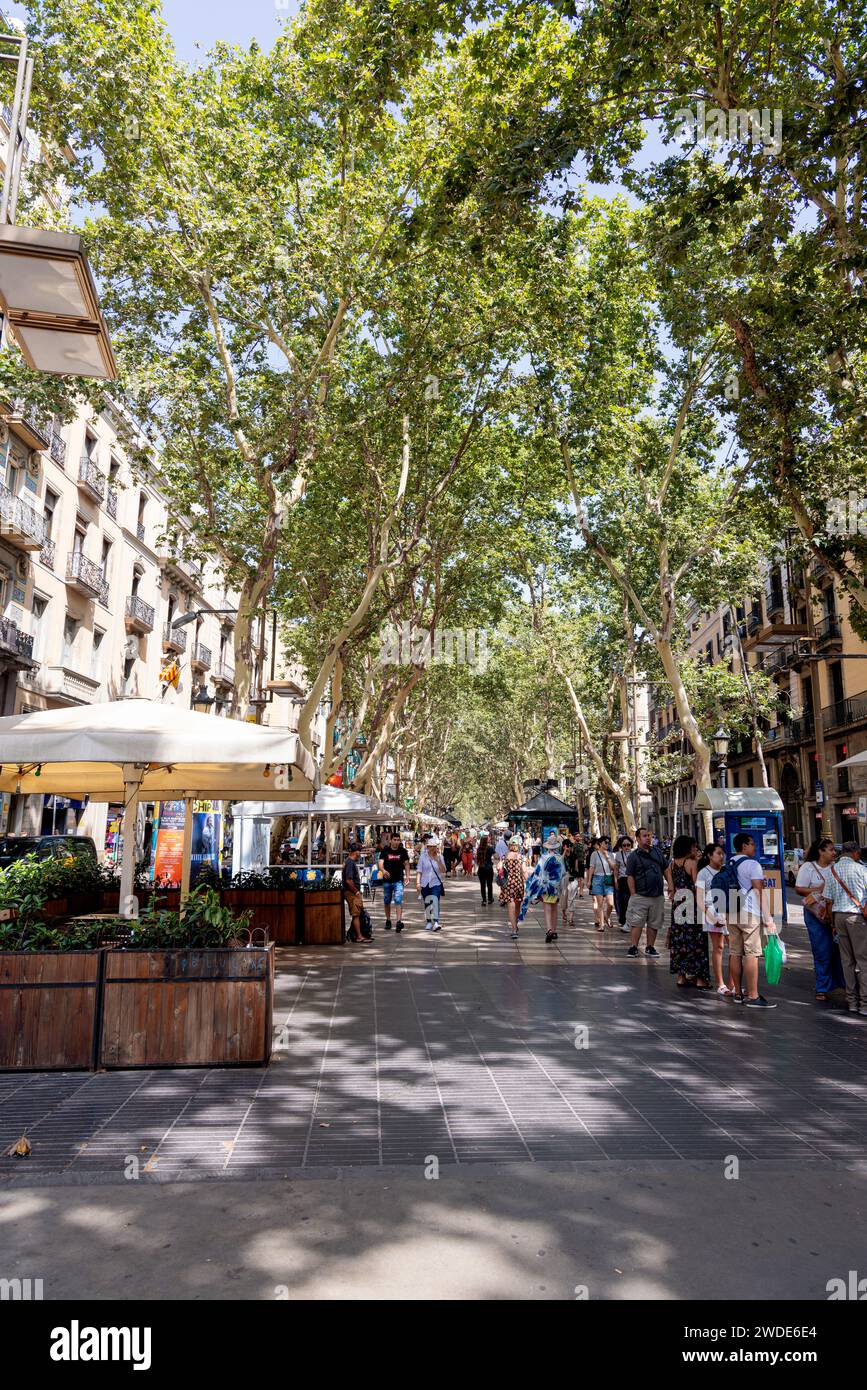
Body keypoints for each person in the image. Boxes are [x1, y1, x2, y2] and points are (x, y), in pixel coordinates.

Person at [726, 832, 779, 1009]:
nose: (754, 847)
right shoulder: (752, 864)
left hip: (731, 911)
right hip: (749, 913)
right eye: (752, 844)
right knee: (752, 954)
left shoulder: (729, 863)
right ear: (744, 846)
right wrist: (768, 918)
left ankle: (738, 993)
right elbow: (758, 891)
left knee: (735, 952)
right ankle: (753, 995)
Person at [796, 838, 845, 1002]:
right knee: (821, 949)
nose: (834, 853)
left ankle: (841, 983)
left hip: (833, 913)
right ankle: (822, 987)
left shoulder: (835, 868)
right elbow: (799, 888)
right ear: (821, 851)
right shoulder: (808, 867)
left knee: (838, 950)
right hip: (815, 914)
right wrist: (820, 890)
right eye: (830, 849)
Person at [824, 840, 867, 1014]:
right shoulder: (861, 869)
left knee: (847, 961)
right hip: (857, 918)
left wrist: (833, 922)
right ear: (855, 853)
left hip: (839, 917)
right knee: (863, 961)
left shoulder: (832, 871)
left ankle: (852, 1002)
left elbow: (828, 901)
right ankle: (865, 1004)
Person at [667, 834, 710, 989]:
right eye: (693, 846)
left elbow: (671, 888)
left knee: (680, 941)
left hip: (678, 906)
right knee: (697, 941)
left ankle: (681, 976)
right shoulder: (692, 863)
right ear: (687, 848)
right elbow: (698, 885)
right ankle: (700, 979)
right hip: (692, 906)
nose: (695, 849)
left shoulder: (672, 865)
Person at [624, 826, 667, 958]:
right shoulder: (633, 856)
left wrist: (670, 885)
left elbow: (666, 869)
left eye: (649, 835)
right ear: (637, 839)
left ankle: (650, 947)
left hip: (657, 895)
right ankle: (634, 946)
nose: (648, 838)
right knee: (637, 923)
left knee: (654, 923)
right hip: (640, 895)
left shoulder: (658, 852)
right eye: (644, 836)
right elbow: (630, 875)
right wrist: (633, 893)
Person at [697, 842, 733, 995]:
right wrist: (711, 917)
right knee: (719, 947)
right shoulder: (703, 873)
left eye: (722, 853)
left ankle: (733, 983)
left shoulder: (727, 871)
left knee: (735, 947)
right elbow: (699, 899)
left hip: (729, 911)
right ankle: (721, 983)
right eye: (718, 853)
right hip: (712, 910)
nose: (721, 856)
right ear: (709, 856)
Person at [519, 832, 567, 943]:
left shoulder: (544, 858)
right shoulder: (560, 858)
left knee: (547, 909)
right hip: (556, 888)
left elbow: (537, 873)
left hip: (545, 888)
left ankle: (549, 930)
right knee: (554, 909)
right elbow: (563, 873)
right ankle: (554, 931)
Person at [378, 831, 410, 933]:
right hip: (387, 880)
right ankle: (388, 920)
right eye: (394, 840)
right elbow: (380, 863)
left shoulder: (403, 851)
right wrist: (383, 870)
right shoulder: (385, 850)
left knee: (398, 900)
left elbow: (406, 864)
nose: (396, 842)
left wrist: (408, 876)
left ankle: (398, 922)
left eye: (398, 840)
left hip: (398, 880)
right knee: (387, 901)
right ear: (390, 840)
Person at [416, 835, 447, 931]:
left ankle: (436, 922)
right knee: (427, 902)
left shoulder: (440, 857)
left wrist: (437, 860)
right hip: (425, 883)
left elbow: (443, 870)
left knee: (435, 901)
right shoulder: (423, 857)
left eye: (434, 847)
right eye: (430, 846)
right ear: (427, 847)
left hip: (436, 883)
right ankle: (429, 922)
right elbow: (419, 871)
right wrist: (418, 883)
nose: (432, 848)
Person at [500, 834, 528, 939]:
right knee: (517, 905)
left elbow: (499, 867)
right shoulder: (521, 857)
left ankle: (514, 928)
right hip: (518, 883)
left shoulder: (505, 856)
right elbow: (524, 871)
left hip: (508, 884)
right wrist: (528, 881)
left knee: (511, 907)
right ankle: (515, 925)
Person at [341, 842, 369, 944]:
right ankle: (358, 936)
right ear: (356, 852)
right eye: (359, 851)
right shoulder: (349, 863)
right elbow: (349, 880)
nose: (360, 854)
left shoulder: (350, 862)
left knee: (357, 913)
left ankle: (352, 934)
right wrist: (356, 891)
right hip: (351, 892)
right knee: (356, 914)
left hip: (352, 892)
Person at [588, 835, 615, 931]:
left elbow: (614, 868)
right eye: (605, 842)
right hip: (597, 879)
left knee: (610, 903)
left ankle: (607, 916)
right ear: (600, 843)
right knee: (600, 903)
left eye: (608, 843)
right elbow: (591, 867)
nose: (607, 844)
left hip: (607, 878)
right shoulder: (594, 854)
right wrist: (589, 880)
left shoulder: (611, 854)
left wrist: (607, 857)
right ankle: (602, 924)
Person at [613, 835, 634, 932]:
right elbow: (616, 869)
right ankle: (624, 919)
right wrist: (615, 880)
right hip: (622, 880)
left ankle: (628, 921)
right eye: (624, 845)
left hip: (633, 880)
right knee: (622, 901)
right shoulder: (618, 855)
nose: (626, 847)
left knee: (630, 901)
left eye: (628, 845)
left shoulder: (635, 854)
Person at [476, 832, 495, 905]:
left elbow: (477, 859)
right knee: (489, 884)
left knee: (482, 885)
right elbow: (496, 856)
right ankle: (490, 899)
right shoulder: (490, 848)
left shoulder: (479, 849)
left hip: (481, 869)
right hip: (489, 868)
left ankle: (484, 900)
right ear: (486, 841)